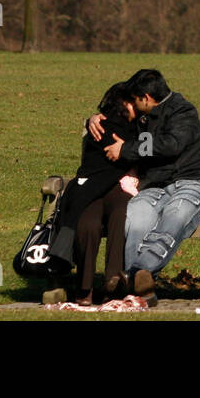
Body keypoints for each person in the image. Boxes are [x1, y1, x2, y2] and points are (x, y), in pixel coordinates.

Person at [87, 69, 200, 307]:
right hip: (155, 187)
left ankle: (136, 273)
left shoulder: (184, 112)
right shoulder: (141, 117)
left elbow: (171, 145)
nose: (132, 107)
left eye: (135, 100)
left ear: (146, 98)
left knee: (174, 217)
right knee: (134, 219)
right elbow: (115, 117)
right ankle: (141, 291)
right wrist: (95, 119)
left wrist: (126, 150)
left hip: (193, 183)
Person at [48, 82, 140, 304]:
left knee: (121, 216)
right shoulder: (100, 125)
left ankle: (114, 282)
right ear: (125, 103)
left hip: (120, 186)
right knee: (88, 222)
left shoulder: (143, 125)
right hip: (92, 187)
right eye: (132, 101)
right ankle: (84, 286)